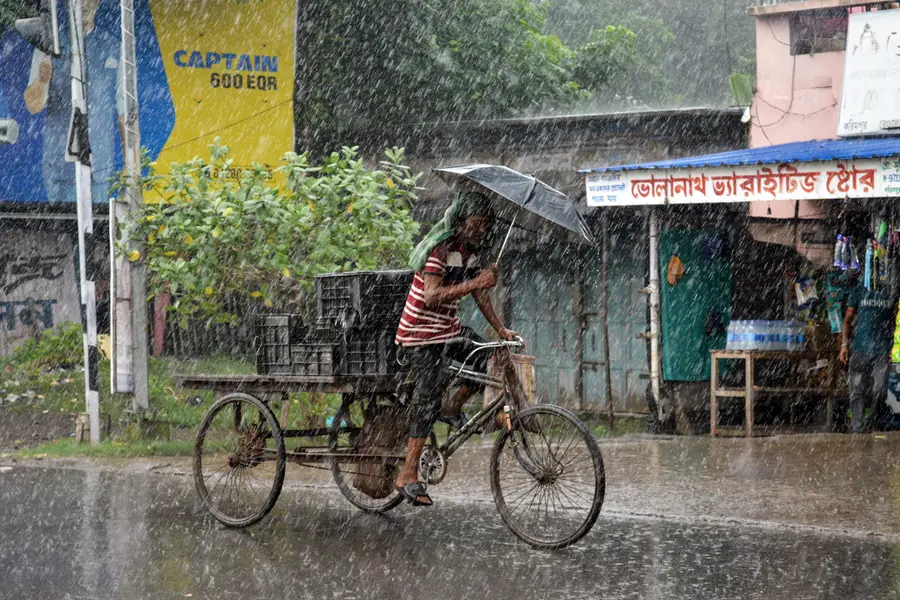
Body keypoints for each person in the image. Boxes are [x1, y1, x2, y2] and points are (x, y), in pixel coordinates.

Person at [393, 192, 519, 506]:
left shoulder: (469, 253)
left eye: (485, 224)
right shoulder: (441, 249)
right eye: (476, 222)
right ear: (461, 222)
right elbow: (431, 295)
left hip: (447, 331)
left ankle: (452, 409)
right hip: (419, 335)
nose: (481, 229)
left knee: (488, 355)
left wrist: (501, 329)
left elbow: (480, 295)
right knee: (428, 395)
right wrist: (476, 283)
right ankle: (407, 474)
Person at [23, 0, 123, 204]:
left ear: (98, 2)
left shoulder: (114, 47)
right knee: (64, 224)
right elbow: (33, 105)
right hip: (61, 168)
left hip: (100, 166)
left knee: (99, 223)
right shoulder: (49, 45)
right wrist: (42, 81)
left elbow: (125, 110)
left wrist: (131, 165)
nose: (84, 4)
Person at [839, 282, 899, 433]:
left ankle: (874, 423)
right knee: (857, 390)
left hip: (882, 351)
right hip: (859, 349)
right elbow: (847, 320)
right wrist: (844, 346)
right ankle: (858, 429)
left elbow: (894, 320)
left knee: (880, 390)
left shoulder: (891, 292)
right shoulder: (859, 290)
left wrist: (891, 345)